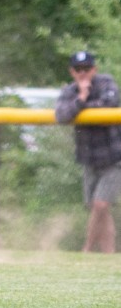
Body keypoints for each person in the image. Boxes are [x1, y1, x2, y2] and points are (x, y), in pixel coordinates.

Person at [54, 50, 121, 253]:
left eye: (87, 68)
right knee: (99, 209)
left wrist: (80, 108)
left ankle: (87, 249)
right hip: (89, 159)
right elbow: (61, 115)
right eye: (78, 69)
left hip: (114, 158)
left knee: (100, 205)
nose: (82, 73)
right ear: (71, 71)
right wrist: (81, 97)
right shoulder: (70, 91)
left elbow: (110, 104)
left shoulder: (106, 83)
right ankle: (109, 254)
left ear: (95, 69)